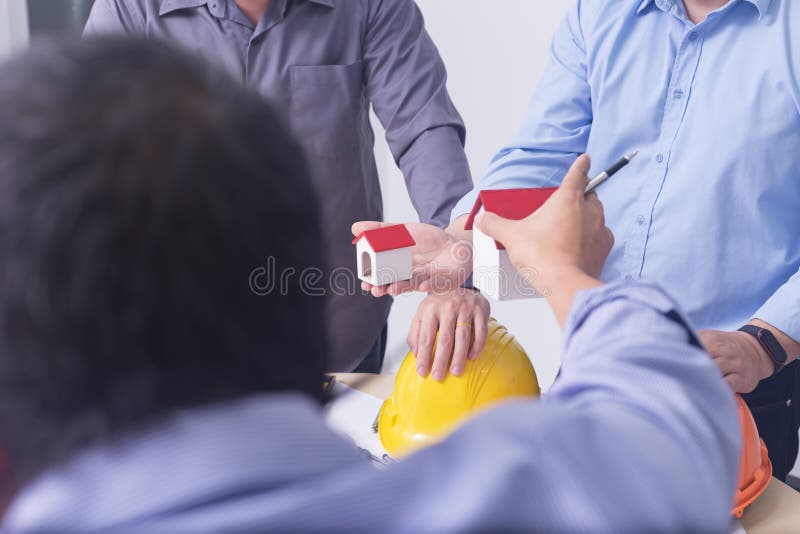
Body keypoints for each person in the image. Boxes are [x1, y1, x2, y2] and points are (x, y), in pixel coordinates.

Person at [0, 37, 740, 532]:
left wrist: (465, 266)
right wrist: (557, 267)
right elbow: (668, 413)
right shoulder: (524, 498)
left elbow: (423, 128)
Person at [358, 0, 800, 481]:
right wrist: (462, 238)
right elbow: (540, 153)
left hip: (734, 375)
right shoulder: (601, 12)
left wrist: (763, 345)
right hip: (597, 352)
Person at [82, 0, 486, 373]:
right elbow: (89, 156)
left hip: (337, 338)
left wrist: (455, 267)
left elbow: (423, 128)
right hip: (183, 346)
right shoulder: (131, 7)